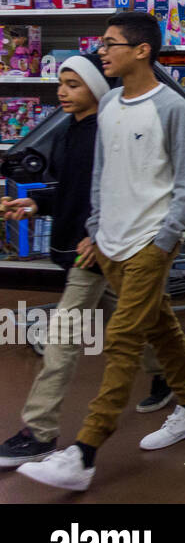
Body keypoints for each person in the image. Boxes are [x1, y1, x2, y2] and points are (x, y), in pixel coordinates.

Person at [18, 12, 185, 492]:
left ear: (142, 50)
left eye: (110, 43)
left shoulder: (172, 108)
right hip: (110, 242)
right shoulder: (109, 108)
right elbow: (102, 175)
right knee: (160, 327)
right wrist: (98, 227)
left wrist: (166, 238)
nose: (102, 51)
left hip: (150, 243)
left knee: (123, 341)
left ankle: (83, 453)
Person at [0, 55, 173, 467]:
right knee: (133, 319)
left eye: (74, 84)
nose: (62, 91)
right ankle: (169, 375)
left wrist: (98, 235)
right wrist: (35, 201)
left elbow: (123, 191)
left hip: (97, 249)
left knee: (61, 337)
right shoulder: (69, 132)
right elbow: (71, 189)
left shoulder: (107, 133)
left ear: (96, 88)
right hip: (83, 248)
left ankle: (39, 431)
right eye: (61, 83)